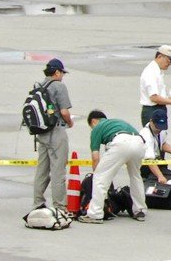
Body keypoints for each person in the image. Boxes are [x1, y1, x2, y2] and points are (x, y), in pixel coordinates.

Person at [79, 111, 146, 224]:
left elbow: (95, 157)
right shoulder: (117, 122)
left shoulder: (97, 128)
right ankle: (139, 210)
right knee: (135, 176)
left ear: (93, 121)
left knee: (100, 178)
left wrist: (97, 173)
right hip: (139, 142)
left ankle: (95, 214)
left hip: (120, 142)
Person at [31, 58, 73, 211]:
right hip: (56, 131)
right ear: (57, 72)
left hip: (41, 133)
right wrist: (70, 122)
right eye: (62, 73)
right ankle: (60, 206)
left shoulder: (39, 85)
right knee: (58, 171)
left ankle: (38, 203)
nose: (62, 76)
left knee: (42, 170)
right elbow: (64, 111)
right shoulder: (59, 86)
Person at [139, 44, 171, 126]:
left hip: (159, 109)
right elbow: (154, 97)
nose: (170, 63)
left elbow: (158, 95)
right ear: (160, 56)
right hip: (152, 111)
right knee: (153, 137)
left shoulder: (158, 71)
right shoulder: (151, 72)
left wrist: (169, 98)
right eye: (169, 60)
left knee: (161, 137)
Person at [139, 108, 171, 185]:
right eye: (157, 127)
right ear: (151, 121)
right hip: (147, 167)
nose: (159, 130)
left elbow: (162, 144)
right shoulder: (146, 135)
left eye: (162, 127)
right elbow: (149, 161)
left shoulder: (161, 130)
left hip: (158, 163)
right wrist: (160, 176)